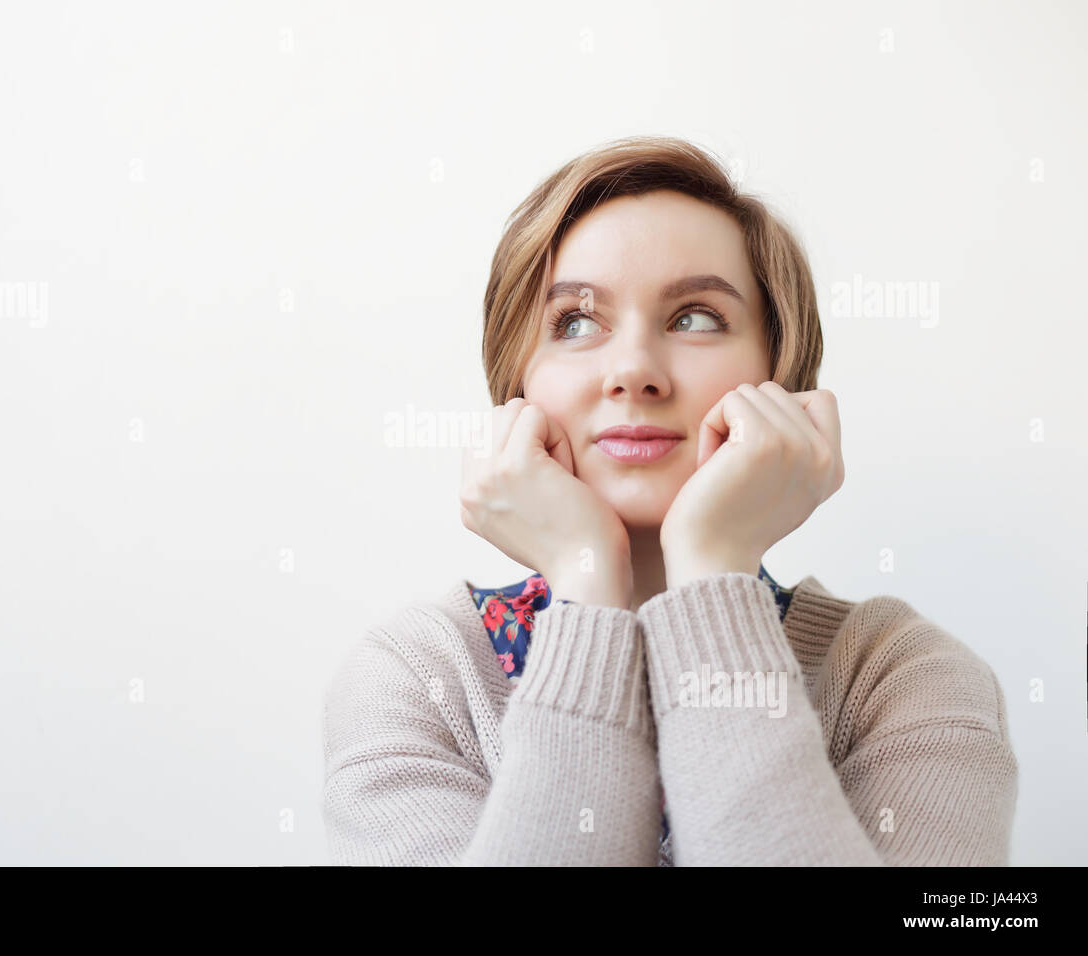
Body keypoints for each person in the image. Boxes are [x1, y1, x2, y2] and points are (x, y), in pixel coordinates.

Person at [320, 136, 1018, 866]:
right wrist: (587, 581)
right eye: (576, 323)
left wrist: (713, 570)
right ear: (517, 387)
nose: (633, 371)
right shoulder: (416, 679)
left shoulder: (904, 678)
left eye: (694, 317)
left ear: (780, 378)